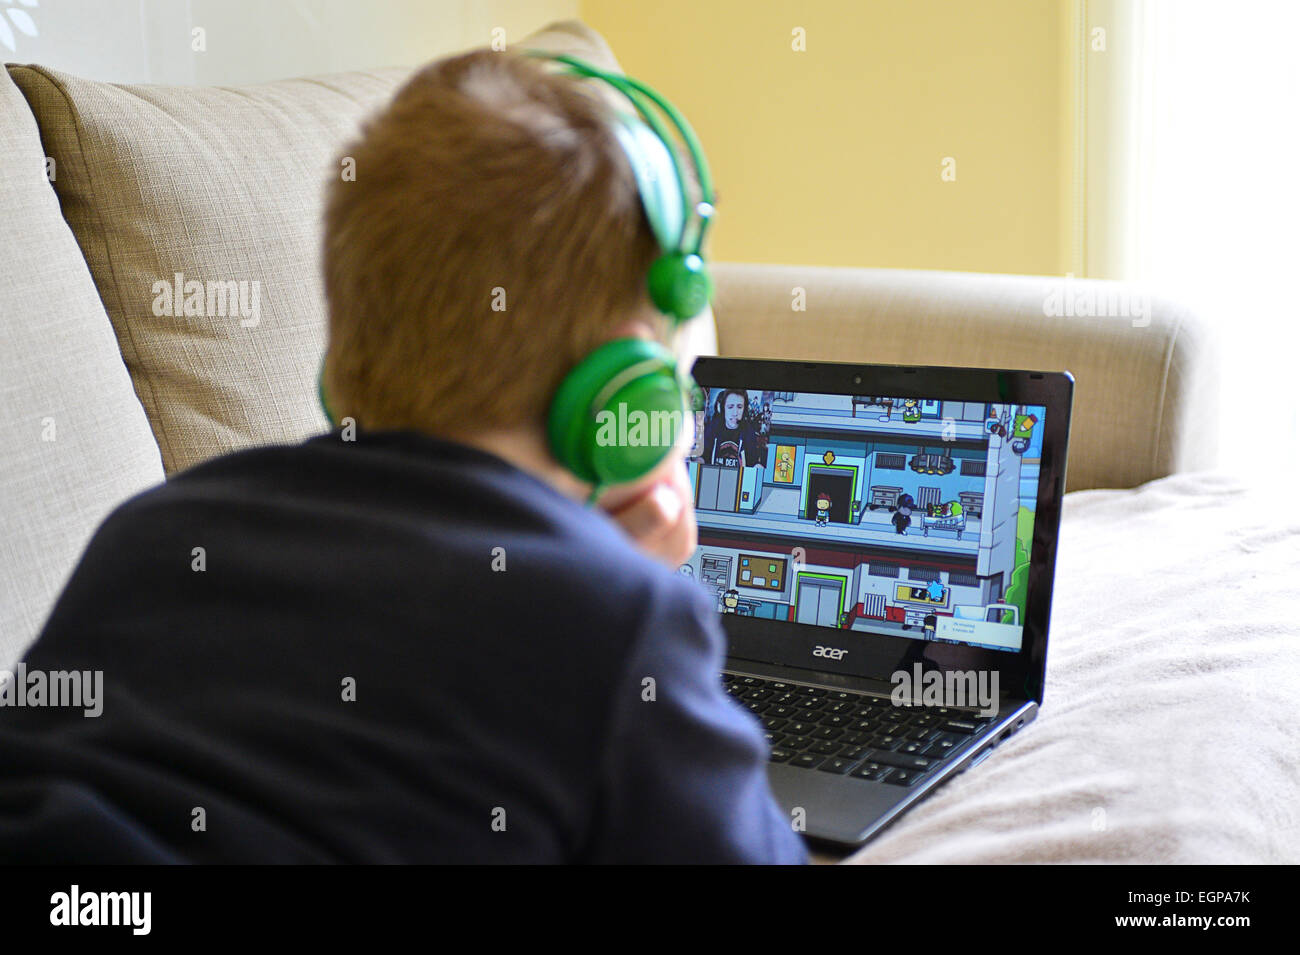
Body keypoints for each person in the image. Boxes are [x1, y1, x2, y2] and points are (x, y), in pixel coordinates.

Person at [0, 49, 806, 865]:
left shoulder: (153, 533)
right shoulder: (623, 626)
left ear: (342, 363)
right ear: (625, 398)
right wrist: (629, 583)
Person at [701, 389, 759, 467]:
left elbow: (753, 463)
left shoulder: (749, 432)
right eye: (730, 407)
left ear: (744, 409)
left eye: (739, 407)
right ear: (723, 408)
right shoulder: (712, 428)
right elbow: (703, 457)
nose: (735, 413)